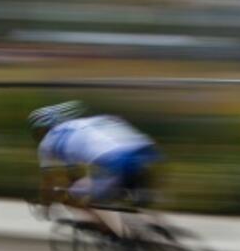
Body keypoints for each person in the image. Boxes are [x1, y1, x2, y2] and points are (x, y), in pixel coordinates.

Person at [28, 101, 160, 236]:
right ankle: (157, 227)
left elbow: (49, 182)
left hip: (117, 162)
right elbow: (75, 176)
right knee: (137, 201)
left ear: (42, 129)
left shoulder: (48, 143)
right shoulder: (86, 122)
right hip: (143, 151)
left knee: (80, 198)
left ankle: (120, 236)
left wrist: (46, 204)